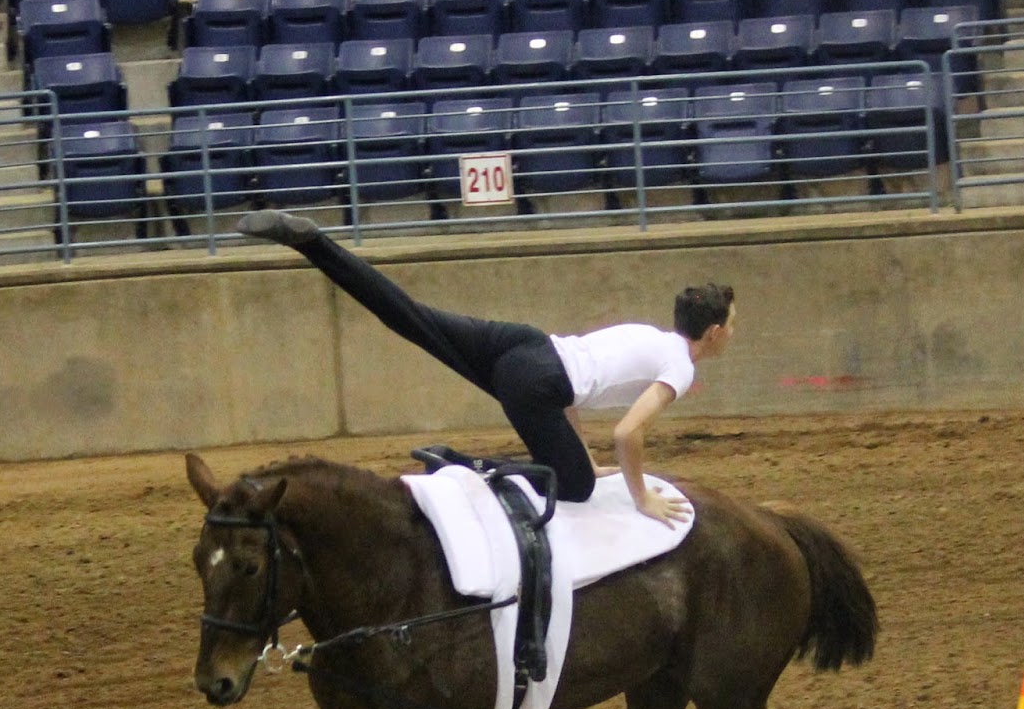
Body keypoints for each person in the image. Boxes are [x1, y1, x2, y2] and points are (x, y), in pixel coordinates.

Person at [236, 209, 735, 527]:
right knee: (577, 488)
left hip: (525, 345)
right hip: (536, 383)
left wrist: (582, 453)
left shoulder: (651, 336)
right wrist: (641, 494)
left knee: (408, 316)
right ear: (712, 333)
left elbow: (576, 387)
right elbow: (629, 434)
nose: (732, 333)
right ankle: (457, 463)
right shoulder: (679, 365)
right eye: (730, 326)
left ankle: (312, 243)